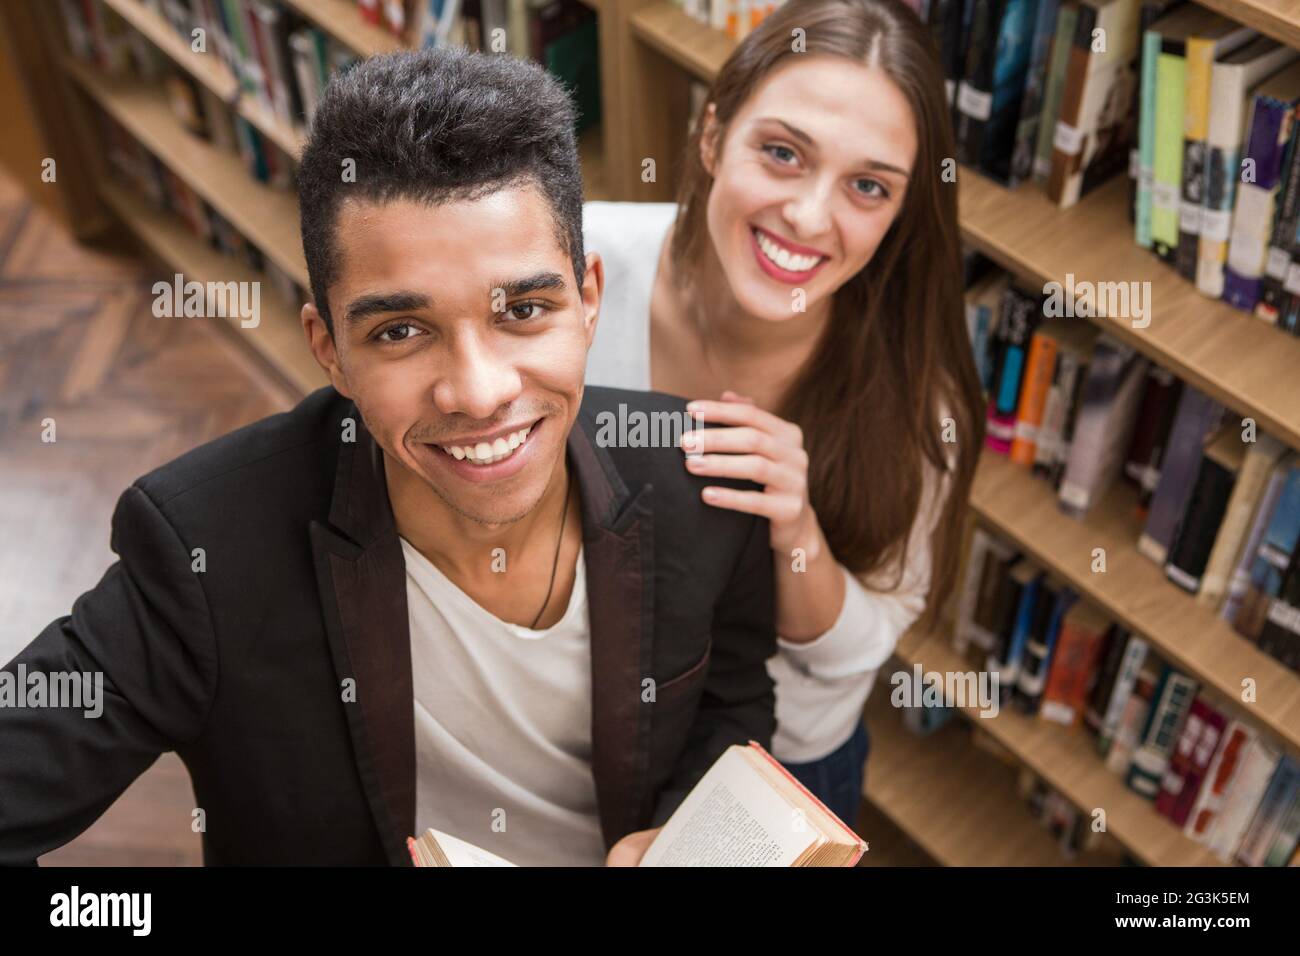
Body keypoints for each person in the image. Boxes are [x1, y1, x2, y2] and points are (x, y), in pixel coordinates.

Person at [0, 47, 777, 867]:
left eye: (523, 308)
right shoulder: (201, 551)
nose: (477, 393)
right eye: (400, 331)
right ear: (328, 348)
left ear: (587, 298)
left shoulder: (701, 475)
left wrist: (680, 838)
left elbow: (734, 699)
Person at [582, 0, 984, 824]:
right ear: (711, 135)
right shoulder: (574, 274)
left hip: (777, 777)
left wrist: (794, 531)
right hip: (578, 735)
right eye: (781, 153)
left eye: (868, 186)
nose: (808, 217)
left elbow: (860, 651)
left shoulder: (917, 399)